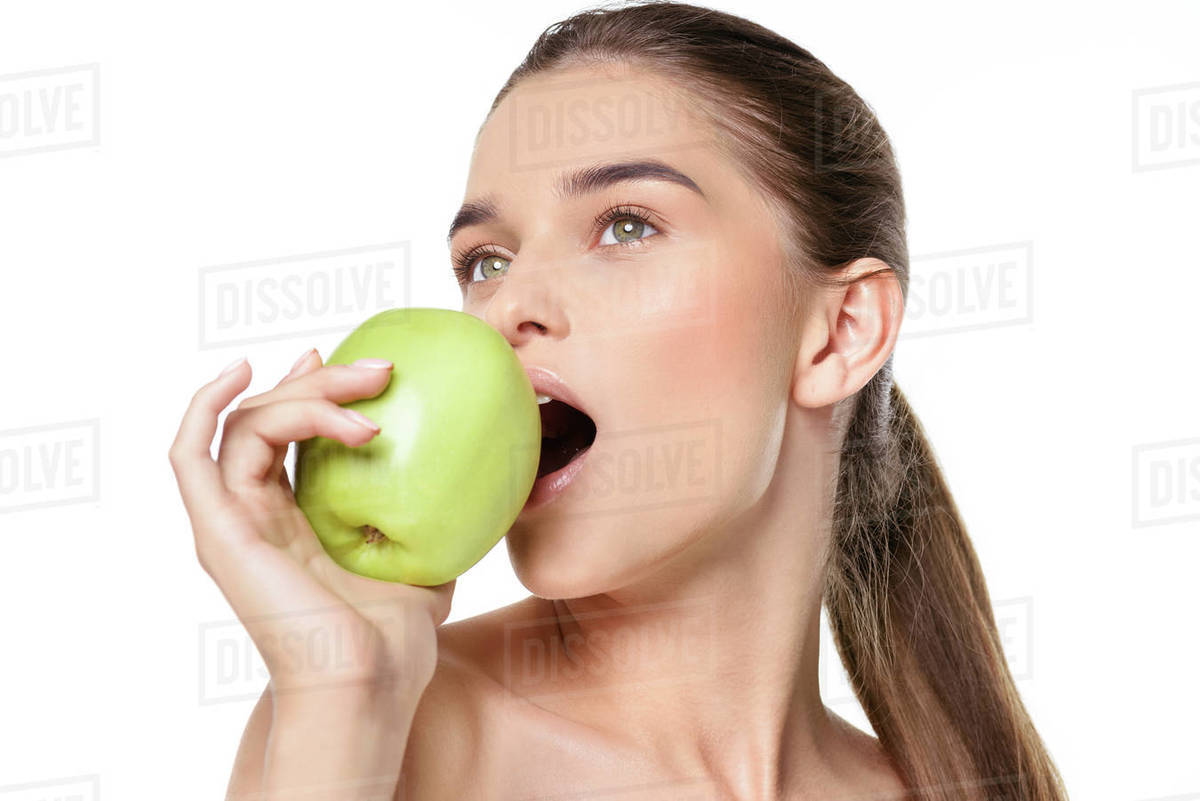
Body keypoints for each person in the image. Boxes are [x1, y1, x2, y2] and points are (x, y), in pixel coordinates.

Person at [169, 2, 1069, 799]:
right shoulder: (395, 741)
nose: (508, 305)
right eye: (487, 260)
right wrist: (341, 703)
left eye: (626, 225)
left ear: (841, 334)